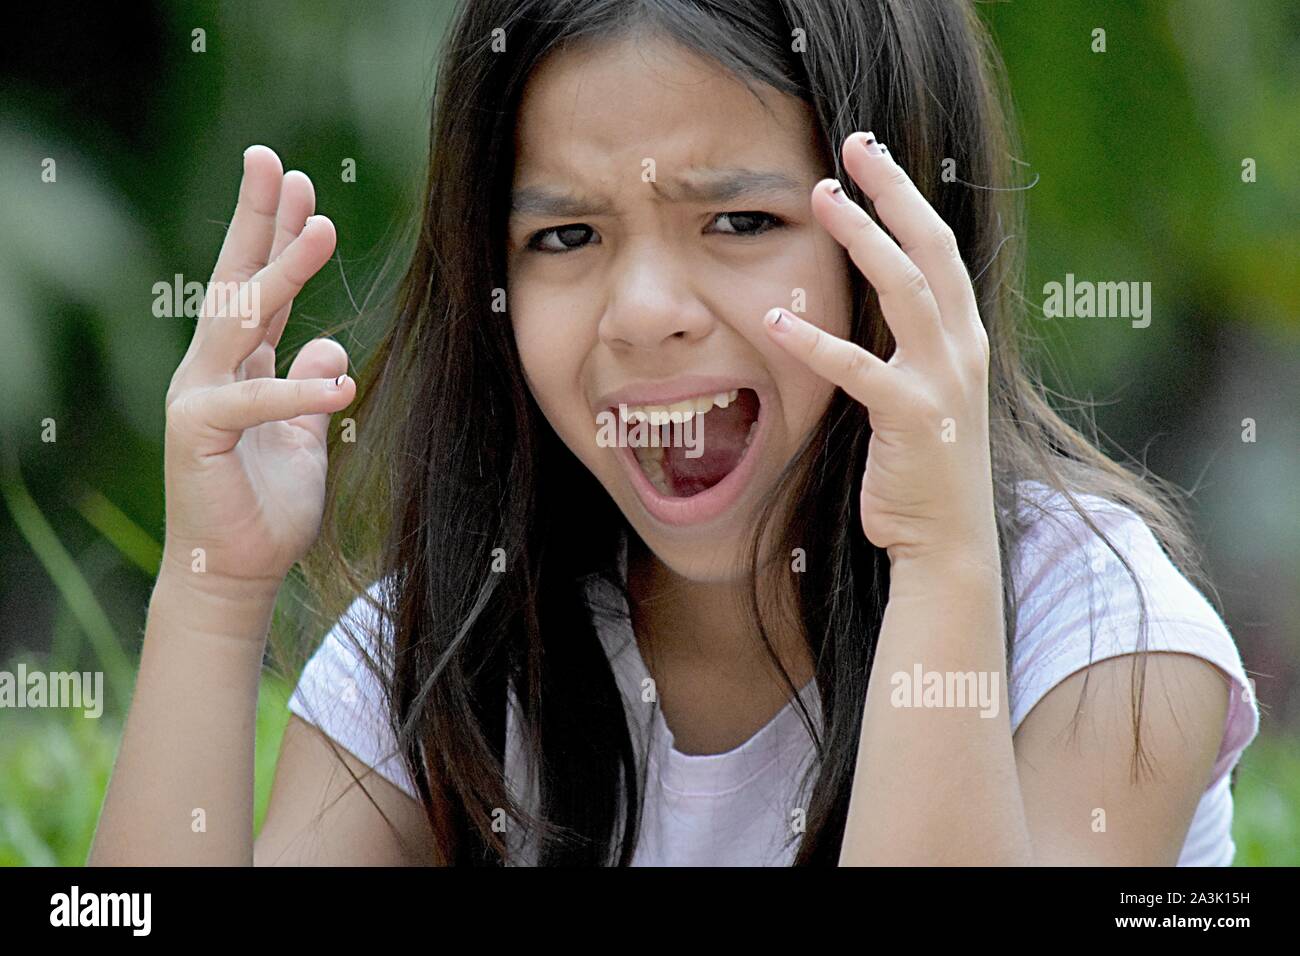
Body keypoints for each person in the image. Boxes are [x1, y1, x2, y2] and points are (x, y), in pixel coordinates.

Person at [89, 0, 1258, 866]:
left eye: (739, 219)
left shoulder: (1098, 634)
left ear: (914, 251)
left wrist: (939, 560)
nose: (644, 313)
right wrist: (217, 588)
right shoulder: (448, 645)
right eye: (564, 237)